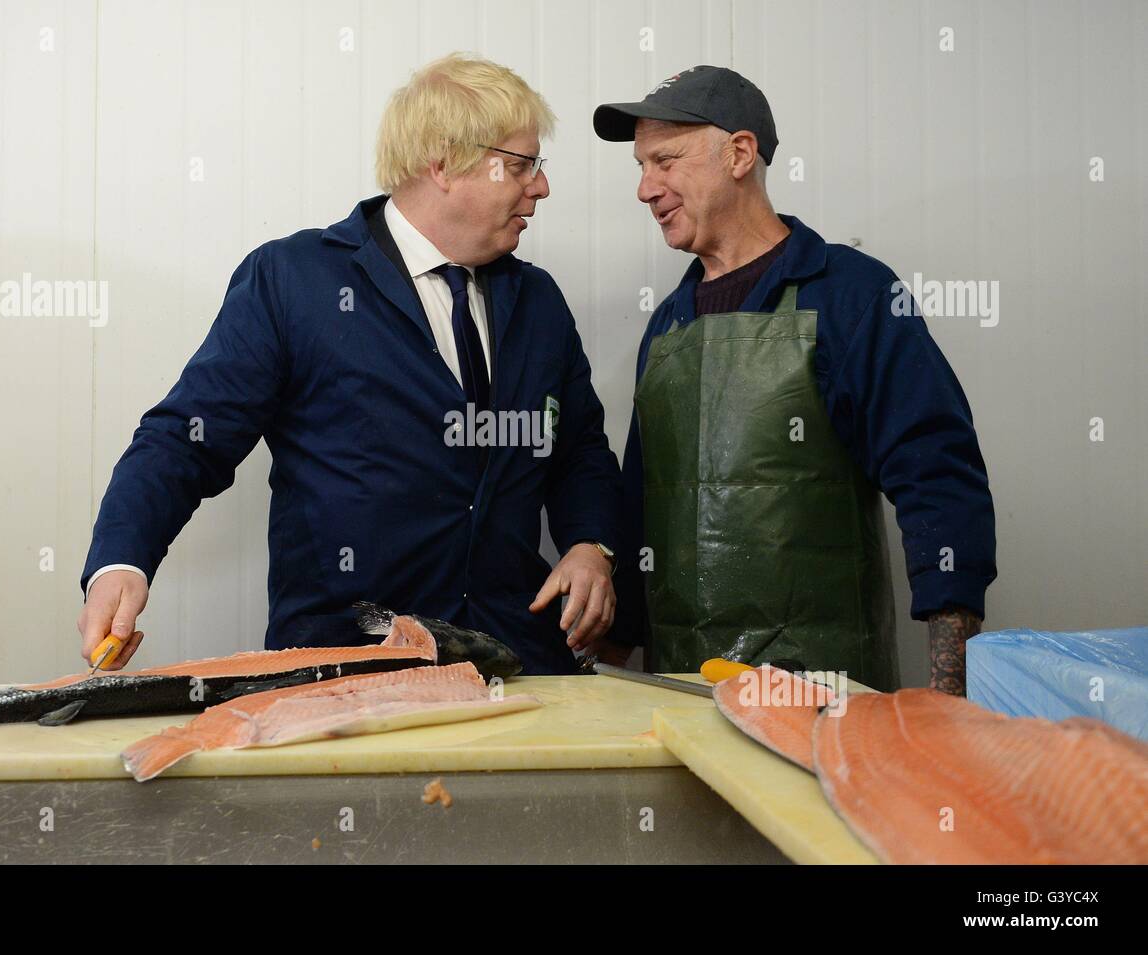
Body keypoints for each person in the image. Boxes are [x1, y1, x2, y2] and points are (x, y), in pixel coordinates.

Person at [77, 53, 621, 676]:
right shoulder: (293, 281)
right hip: (344, 673)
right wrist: (121, 560)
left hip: (519, 671)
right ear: (443, 164)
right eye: (522, 166)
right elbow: (185, 439)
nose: (541, 186)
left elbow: (579, 449)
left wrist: (591, 544)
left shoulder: (539, 301)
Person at [594, 66, 996, 693]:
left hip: (826, 701)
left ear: (739, 154)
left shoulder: (852, 294)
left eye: (665, 161)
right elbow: (640, 502)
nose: (646, 188)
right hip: (680, 697)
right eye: (641, 167)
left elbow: (937, 475)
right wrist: (605, 678)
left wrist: (951, 691)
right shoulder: (667, 327)